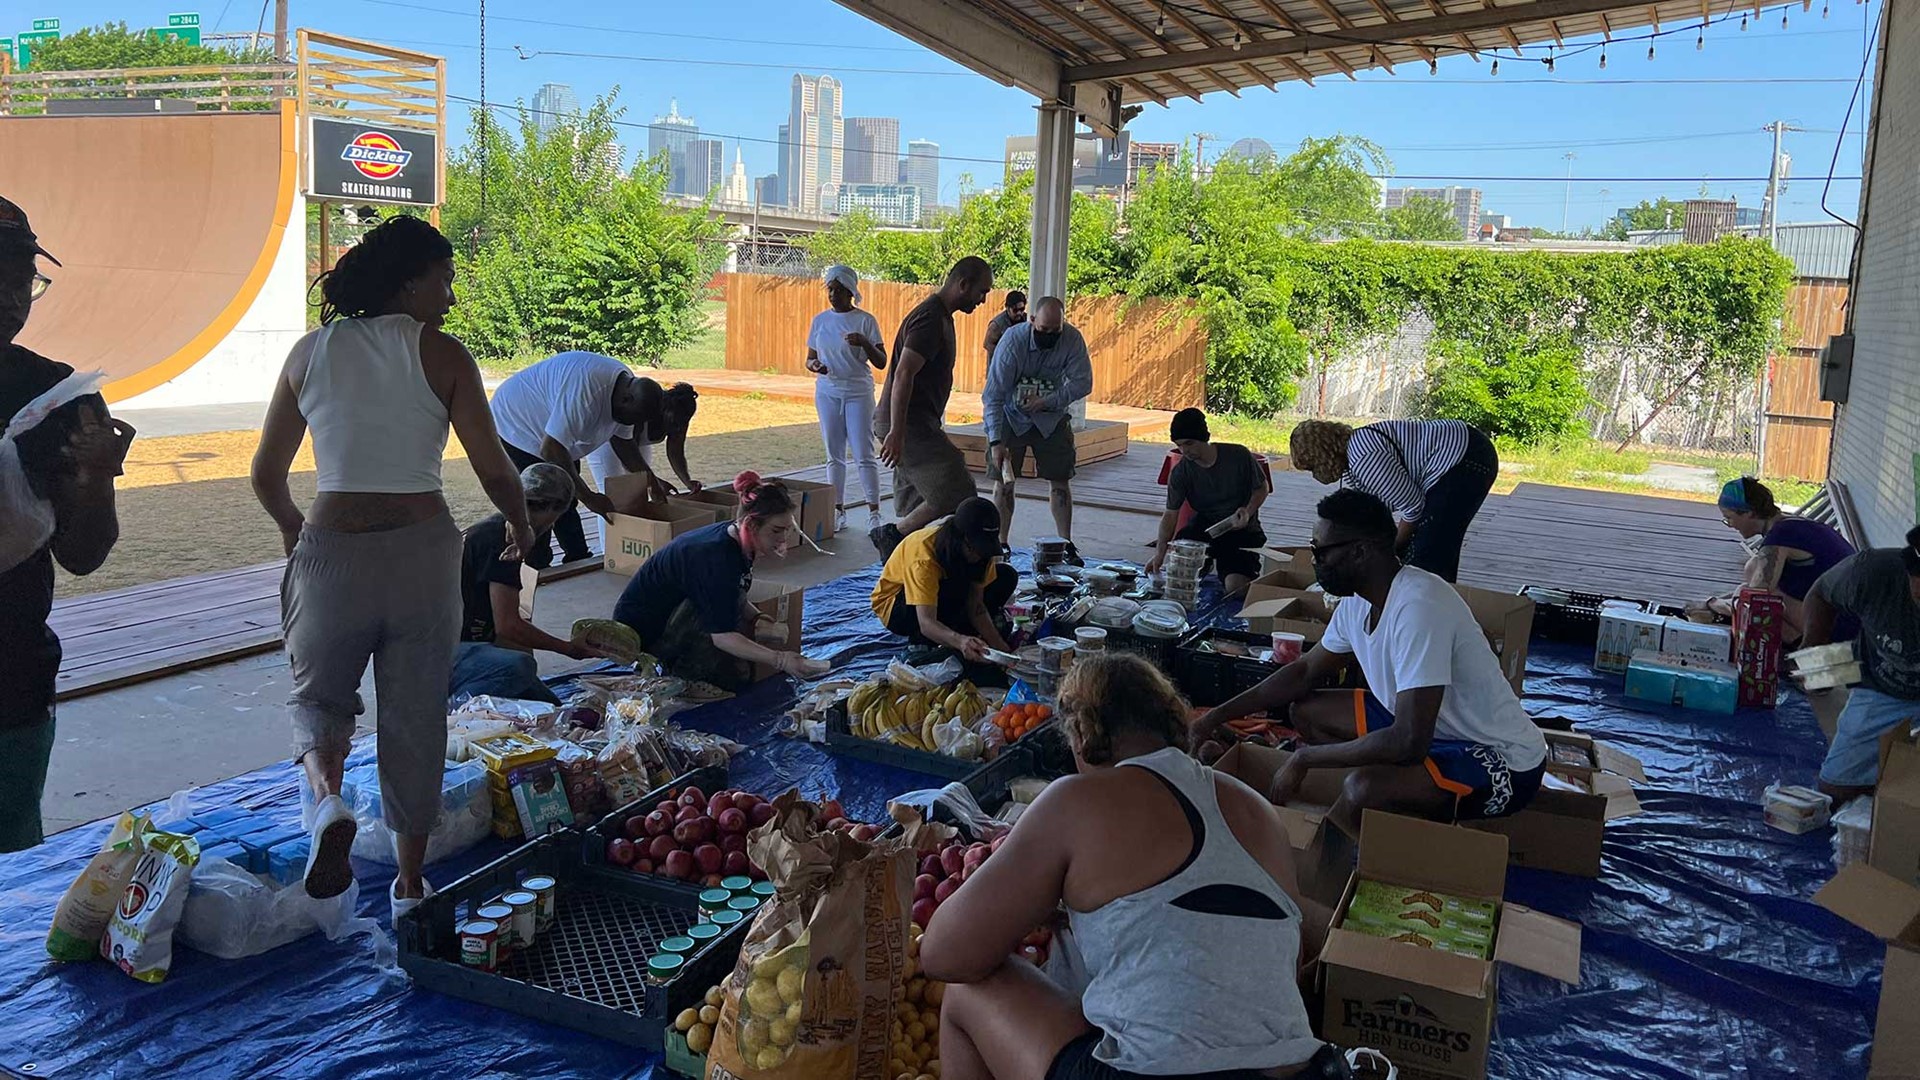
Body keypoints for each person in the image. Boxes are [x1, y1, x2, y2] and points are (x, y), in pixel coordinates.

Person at [251, 215, 536, 921]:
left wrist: (295, 527)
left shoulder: (309, 352)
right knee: (414, 719)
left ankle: (326, 805)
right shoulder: (443, 355)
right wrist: (523, 524)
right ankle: (410, 886)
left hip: (331, 553)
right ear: (410, 280)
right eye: (444, 279)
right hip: (420, 553)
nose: (451, 295)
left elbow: (266, 472)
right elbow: (495, 469)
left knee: (319, 704)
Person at [920, 651, 1350, 1080]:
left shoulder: (1078, 799)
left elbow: (944, 955)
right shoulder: (1257, 810)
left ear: (1080, 736)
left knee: (966, 992)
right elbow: (1276, 967)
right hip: (1299, 1071)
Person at [1192, 490, 1547, 840]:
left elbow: (1410, 740)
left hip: (1501, 760)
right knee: (1307, 711)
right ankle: (1380, 798)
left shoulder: (1420, 607)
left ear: (1360, 552)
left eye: (1321, 551)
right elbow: (1303, 672)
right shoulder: (1359, 601)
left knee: (1363, 788)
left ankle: (1331, 859)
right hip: (1431, 730)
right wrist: (1213, 717)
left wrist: (1307, 759)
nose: (1314, 560)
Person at [0, 195, 131, 853]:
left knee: (10, 864)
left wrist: (98, 477)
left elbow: (84, 554)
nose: (11, 295)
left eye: (21, 278)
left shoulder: (59, 398)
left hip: (11, 676)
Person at [612, 471, 832, 688]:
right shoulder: (716, 559)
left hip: (673, 609)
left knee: (739, 652)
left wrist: (758, 617)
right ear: (752, 525)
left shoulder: (737, 539)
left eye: (787, 529)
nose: (783, 538)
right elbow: (723, 636)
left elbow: (735, 590)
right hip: (641, 635)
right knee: (734, 677)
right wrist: (781, 660)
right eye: (776, 530)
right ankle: (677, 673)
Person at [490, 352, 698, 569]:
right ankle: (537, 566)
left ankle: (577, 558)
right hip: (518, 427)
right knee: (541, 501)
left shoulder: (627, 390)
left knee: (567, 498)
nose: (631, 424)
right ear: (626, 400)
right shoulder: (586, 396)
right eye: (631, 419)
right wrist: (590, 497)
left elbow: (624, 444)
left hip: (557, 436)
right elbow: (551, 449)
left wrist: (652, 484)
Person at [450, 463, 613, 705]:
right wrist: (568, 648)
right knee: (519, 666)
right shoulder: (501, 539)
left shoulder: (498, 528)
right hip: (442, 654)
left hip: (464, 644)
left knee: (554, 708)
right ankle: (454, 712)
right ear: (555, 510)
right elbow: (508, 626)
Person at [872, 256, 995, 560]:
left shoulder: (939, 316)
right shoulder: (930, 319)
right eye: (982, 291)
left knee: (915, 501)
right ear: (962, 284)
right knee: (959, 490)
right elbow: (903, 373)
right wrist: (897, 433)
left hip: (917, 421)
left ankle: (908, 562)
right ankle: (893, 536)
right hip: (908, 424)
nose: (983, 300)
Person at [1288, 418, 1498, 584]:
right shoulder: (1354, 462)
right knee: (1421, 550)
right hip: (1463, 452)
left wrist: (1392, 547)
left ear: (1322, 456)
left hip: (1466, 458)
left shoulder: (1364, 458)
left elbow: (1413, 507)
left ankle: (1433, 614)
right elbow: (1374, 515)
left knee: (1427, 556)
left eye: (1312, 468)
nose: (1315, 475)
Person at [1798, 527, 1920, 803]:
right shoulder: (1873, 572)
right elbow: (1821, 593)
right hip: (1884, 688)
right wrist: (1813, 652)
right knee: (1835, 791)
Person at [983, 296, 1093, 549]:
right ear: (1032, 321)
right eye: (1044, 330)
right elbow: (993, 394)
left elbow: (1083, 383)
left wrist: (1047, 401)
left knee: (1061, 479)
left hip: (1051, 418)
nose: (1050, 335)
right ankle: (1000, 544)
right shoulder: (1012, 342)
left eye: (1056, 331)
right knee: (1005, 481)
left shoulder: (1072, 339)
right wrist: (996, 440)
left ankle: (1066, 543)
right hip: (1011, 416)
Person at [1698, 476, 1856, 644]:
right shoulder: (1789, 524)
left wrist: (1713, 604)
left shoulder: (1781, 536)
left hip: (1842, 625)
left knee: (1762, 602)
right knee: (1753, 567)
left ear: (1748, 513)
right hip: (1845, 613)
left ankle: (1802, 648)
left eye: (1729, 518)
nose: (1730, 525)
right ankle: (1795, 644)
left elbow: (1756, 598)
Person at [871, 497, 1018, 665]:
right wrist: (960, 641)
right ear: (960, 539)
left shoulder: (981, 554)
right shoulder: (924, 556)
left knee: (1006, 576)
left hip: (944, 594)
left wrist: (1002, 649)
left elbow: (976, 605)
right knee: (952, 590)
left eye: (983, 549)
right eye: (975, 549)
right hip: (898, 607)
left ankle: (957, 633)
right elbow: (926, 622)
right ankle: (924, 642)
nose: (978, 556)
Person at [1145, 408, 1268, 596]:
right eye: (1180, 446)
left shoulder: (1238, 456)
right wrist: (1160, 554)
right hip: (1205, 527)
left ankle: (1234, 569)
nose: (1185, 451)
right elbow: (1170, 514)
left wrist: (1248, 511)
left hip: (1241, 528)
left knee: (1235, 588)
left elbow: (1262, 488)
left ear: (1203, 438)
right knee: (1180, 576)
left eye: (1189, 443)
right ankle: (1206, 561)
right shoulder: (1181, 472)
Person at [804, 264, 887, 534]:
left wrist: (864, 342)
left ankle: (873, 511)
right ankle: (837, 510)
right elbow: (810, 358)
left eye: (839, 290)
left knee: (864, 453)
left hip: (858, 392)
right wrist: (816, 366)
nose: (833, 294)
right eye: (830, 289)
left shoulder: (865, 321)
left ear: (851, 292)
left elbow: (882, 362)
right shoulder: (820, 320)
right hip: (828, 391)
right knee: (834, 454)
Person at [981, 289, 1027, 362]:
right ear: (1007, 308)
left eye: (1022, 309)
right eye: (1015, 310)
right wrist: (1006, 356)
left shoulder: (1026, 320)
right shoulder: (997, 324)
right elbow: (987, 344)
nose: (1019, 313)